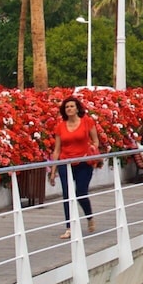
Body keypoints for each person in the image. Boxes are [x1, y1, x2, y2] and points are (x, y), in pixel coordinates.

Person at [50, 97, 100, 239]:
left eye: (72, 106)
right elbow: (57, 150)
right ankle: (69, 227)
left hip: (84, 162)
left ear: (77, 108)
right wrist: (53, 171)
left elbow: (96, 141)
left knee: (80, 193)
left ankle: (89, 216)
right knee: (67, 194)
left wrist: (93, 148)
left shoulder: (87, 122)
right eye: (67, 107)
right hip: (65, 162)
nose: (69, 109)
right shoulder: (60, 126)